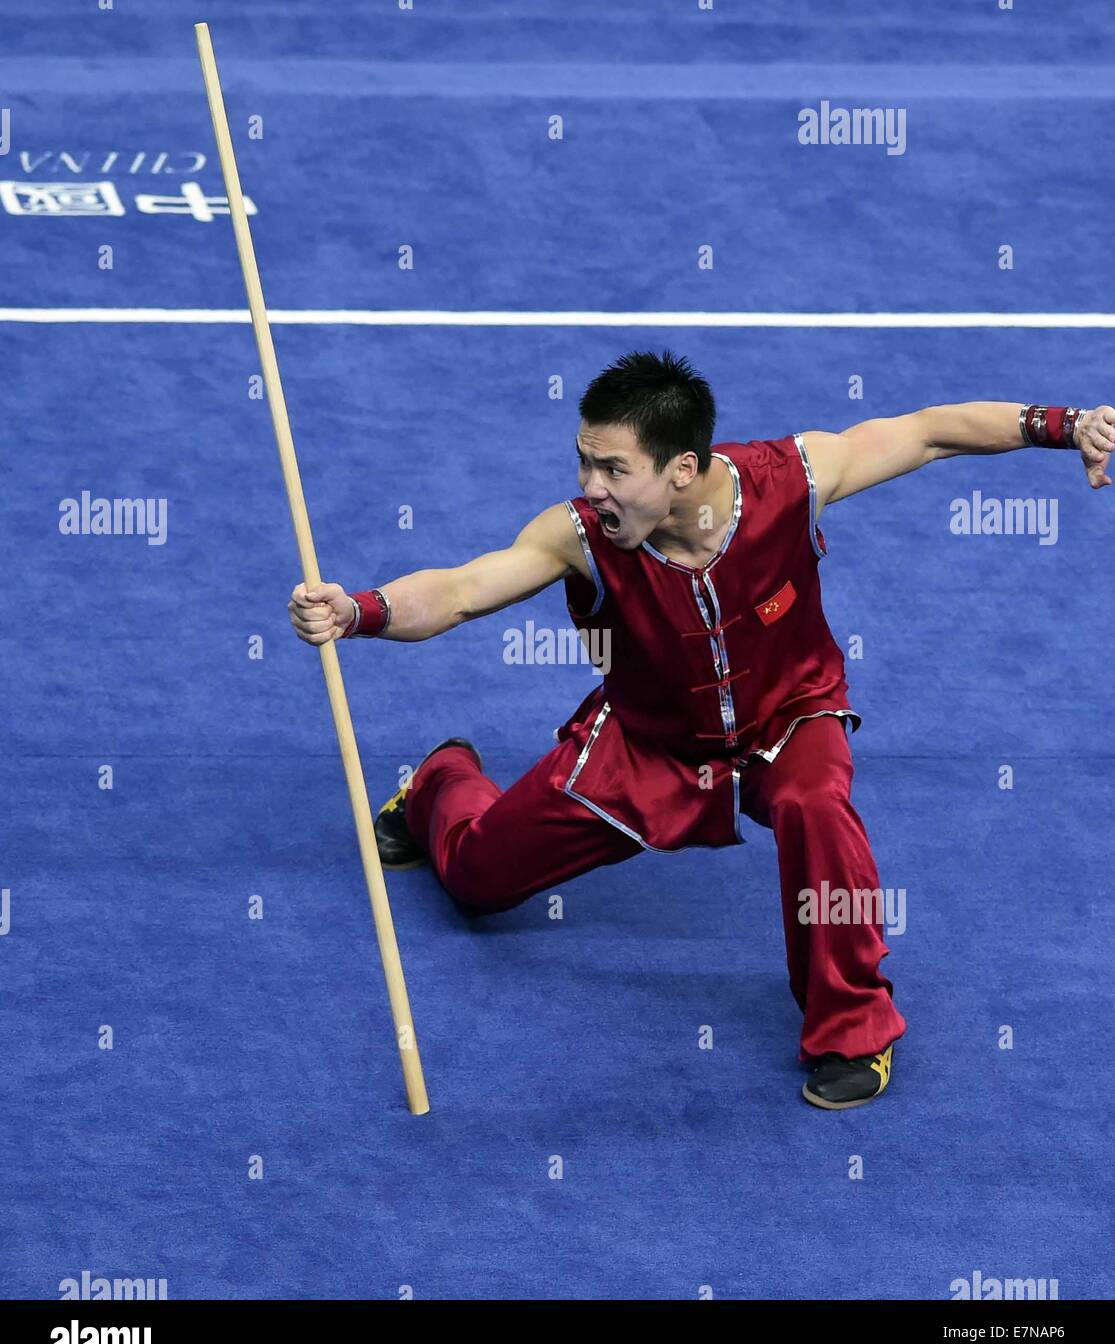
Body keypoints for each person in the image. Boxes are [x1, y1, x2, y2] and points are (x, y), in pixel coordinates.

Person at [289, 351, 1113, 1109]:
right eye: (584, 461)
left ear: (682, 468)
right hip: (648, 742)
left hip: (787, 716)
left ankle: (852, 1027)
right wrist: (360, 610)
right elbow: (463, 591)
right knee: (475, 879)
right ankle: (439, 779)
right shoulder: (578, 536)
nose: (591, 486)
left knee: (815, 804)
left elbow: (927, 433)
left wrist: (1065, 423)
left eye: (614, 469)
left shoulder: (792, 477)